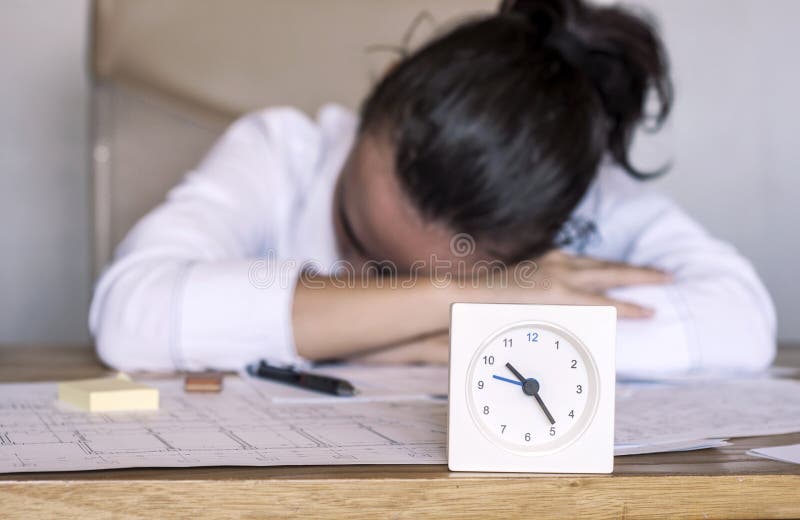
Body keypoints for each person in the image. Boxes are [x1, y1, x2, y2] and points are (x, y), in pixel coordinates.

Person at [89, 0, 776, 375]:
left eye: (407, 275)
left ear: (537, 241)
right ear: (376, 98)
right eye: (355, 235)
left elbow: (740, 321)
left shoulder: (575, 191)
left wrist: (439, 339)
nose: (371, 280)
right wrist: (477, 298)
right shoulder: (280, 152)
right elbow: (131, 312)